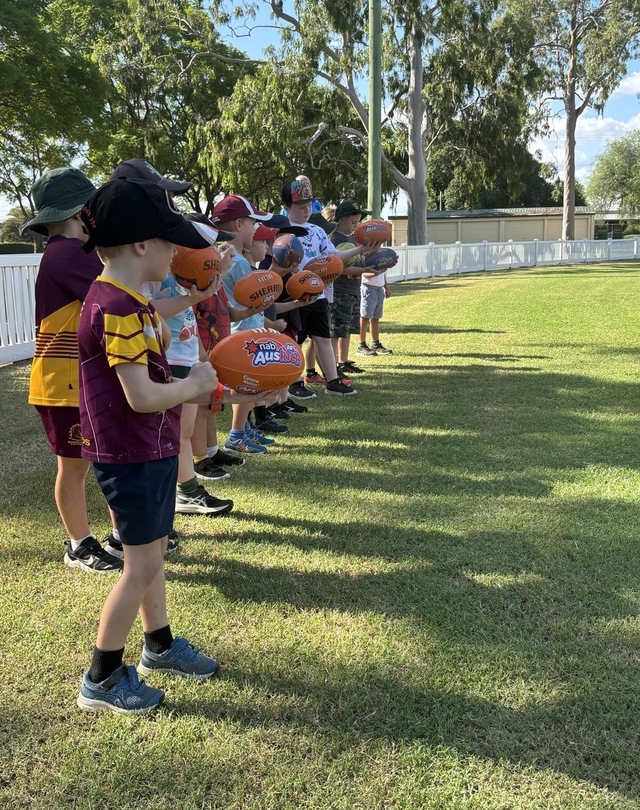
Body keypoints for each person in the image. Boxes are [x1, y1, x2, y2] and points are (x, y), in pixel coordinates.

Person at [75, 177, 223, 714]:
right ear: (142, 245)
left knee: (152, 554)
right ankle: (103, 677)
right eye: (170, 239)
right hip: (132, 452)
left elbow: (149, 315)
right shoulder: (118, 308)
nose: (177, 250)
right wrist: (194, 386)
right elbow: (139, 397)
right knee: (138, 566)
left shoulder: (121, 296)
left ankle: (158, 644)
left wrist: (196, 295)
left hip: (146, 450)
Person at [19, 167, 122, 573]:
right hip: (62, 384)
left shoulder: (71, 252)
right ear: (83, 211)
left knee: (101, 459)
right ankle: (79, 544)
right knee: (75, 464)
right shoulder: (66, 253)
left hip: (77, 380)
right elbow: (116, 297)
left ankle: (119, 535)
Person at [281, 176, 372, 396]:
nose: (306, 211)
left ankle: (332, 381)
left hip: (318, 294)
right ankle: (294, 383)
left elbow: (334, 258)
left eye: (308, 206)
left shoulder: (318, 231)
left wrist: (360, 250)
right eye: (300, 207)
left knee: (322, 337)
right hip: (294, 294)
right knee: (295, 341)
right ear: (286, 207)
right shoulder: (282, 230)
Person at [212, 194, 288, 452]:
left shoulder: (235, 259)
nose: (256, 230)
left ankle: (243, 430)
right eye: (253, 224)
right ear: (238, 225)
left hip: (246, 327)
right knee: (245, 384)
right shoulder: (237, 261)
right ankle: (236, 434)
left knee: (246, 385)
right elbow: (249, 297)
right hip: (242, 333)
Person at [329, 199, 384, 374]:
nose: (356, 226)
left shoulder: (353, 239)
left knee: (347, 331)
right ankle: (332, 365)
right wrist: (363, 269)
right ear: (341, 219)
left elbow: (360, 259)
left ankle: (343, 362)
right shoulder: (334, 239)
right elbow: (338, 268)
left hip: (352, 290)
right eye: (353, 222)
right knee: (336, 332)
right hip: (339, 291)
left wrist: (374, 259)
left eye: (357, 222)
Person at [359, 267, 393, 356]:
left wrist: (386, 288)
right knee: (365, 318)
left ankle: (376, 344)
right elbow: (363, 273)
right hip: (368, 289)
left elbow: (383, 275)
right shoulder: (368, 258)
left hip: (379, 289)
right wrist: (378, 272)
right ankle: (361, 345)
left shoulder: (380, 258)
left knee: (375, 318)